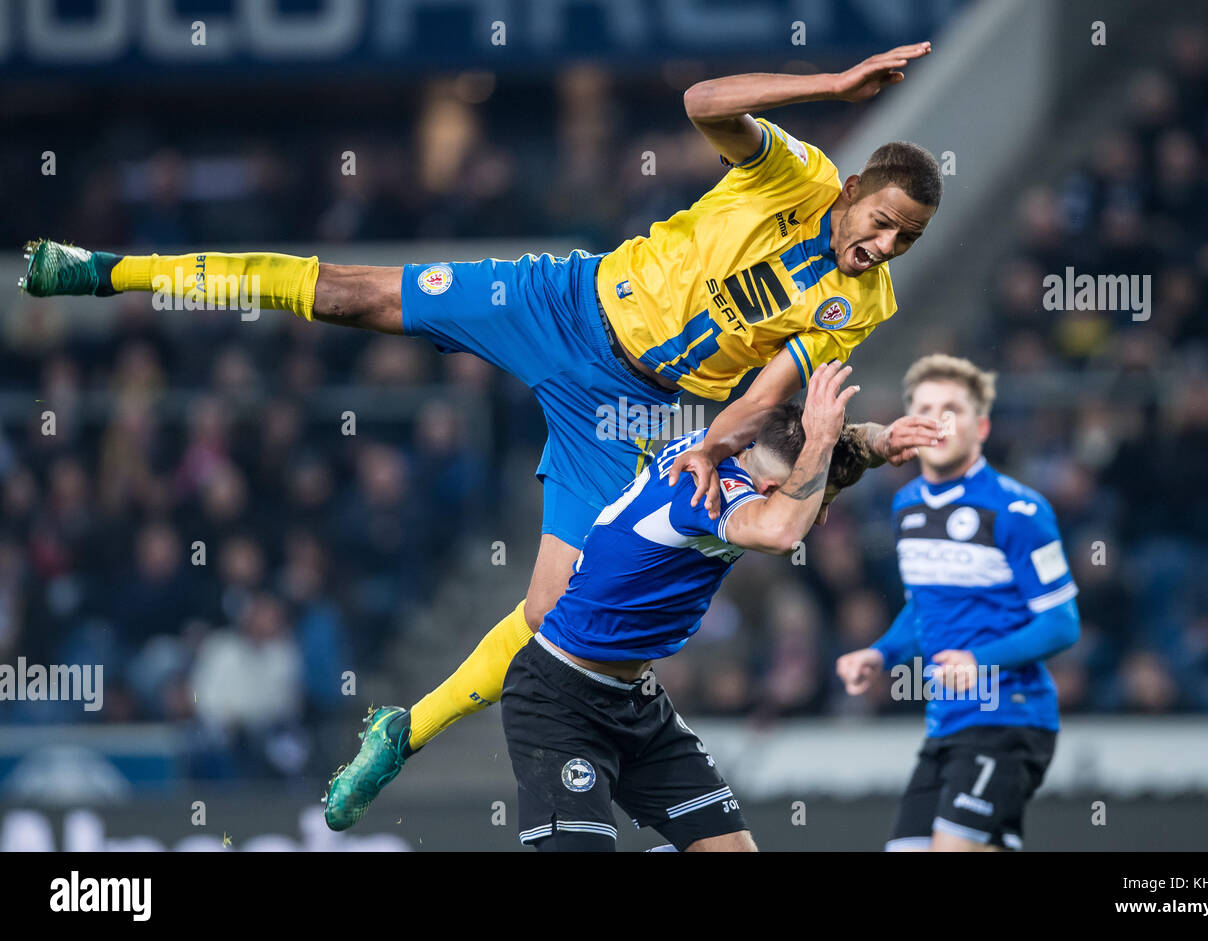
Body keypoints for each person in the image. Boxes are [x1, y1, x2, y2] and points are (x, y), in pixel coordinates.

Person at [22, 45, 943, 830]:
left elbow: (775, 388)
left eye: (903, 240)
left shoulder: (862, 299)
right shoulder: (798, 172)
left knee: (555, 616)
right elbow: (702, 102)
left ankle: (401, 730)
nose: (883, 247)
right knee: (356, 292)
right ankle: (108, 270)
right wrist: (834, 81)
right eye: (881, 223)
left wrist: (707, 444)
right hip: (565, 304)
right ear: (854, 189)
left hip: (627, 413)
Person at [504, 361, 869, 850]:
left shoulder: (725, 445)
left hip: (635, 701)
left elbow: (760, 403)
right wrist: (821, 441)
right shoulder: (707, 490)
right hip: (559, 698)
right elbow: (781, 531)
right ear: (770, 491)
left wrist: (881, 441)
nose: (818, 519)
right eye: (812, 501)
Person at [836, 354, 1081, 851]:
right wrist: (880, 654)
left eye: (953, 409)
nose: (939, 420)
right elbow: (925, 608)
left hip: (1009, 719)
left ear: (982, 424)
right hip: (947, 722)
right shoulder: (907, 508)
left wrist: (979, 660)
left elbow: (1061, 623)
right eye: (926, 408)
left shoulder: (1019, 510)